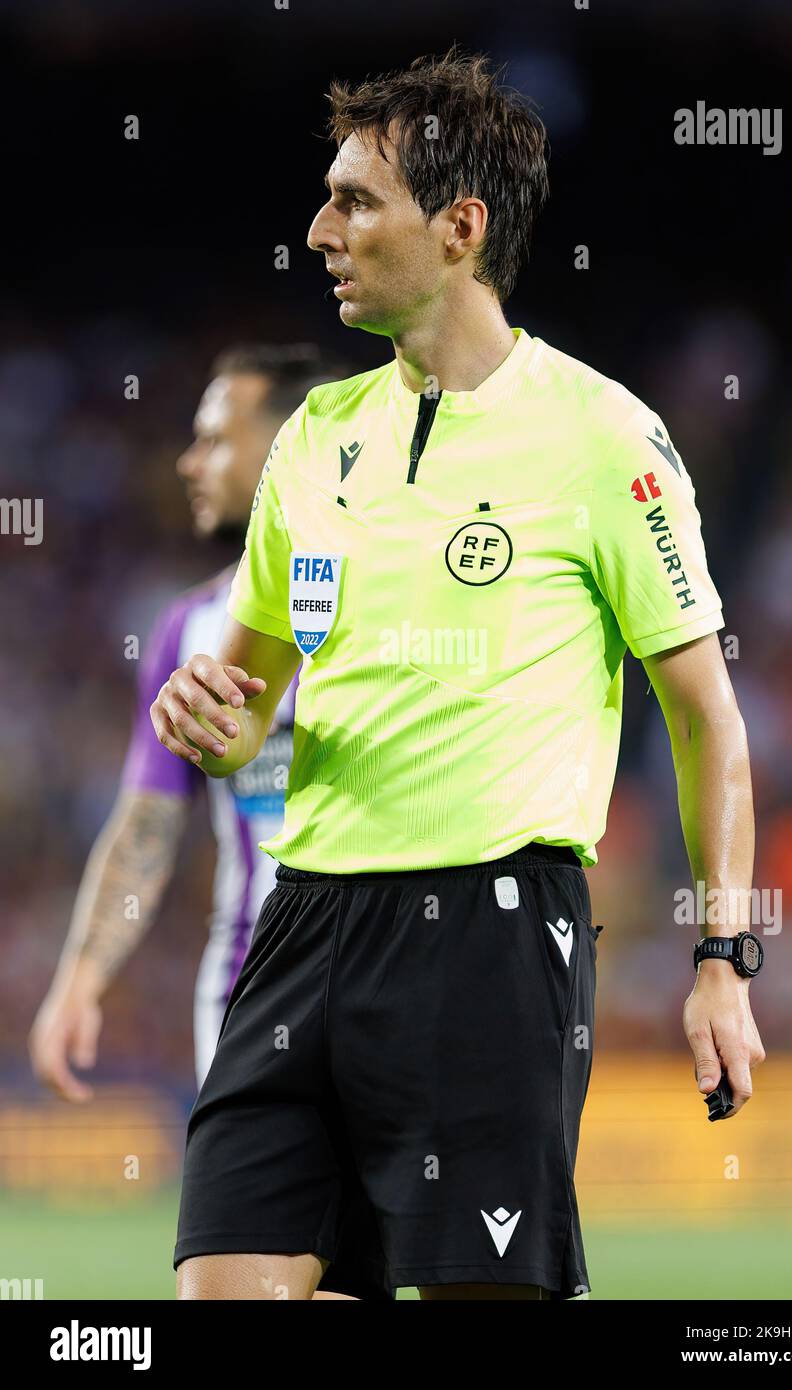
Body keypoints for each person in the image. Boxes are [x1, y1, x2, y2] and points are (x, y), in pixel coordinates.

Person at [151, 48, 764, 1302]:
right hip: (306, 918)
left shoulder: (604, 437)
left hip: (489, 929)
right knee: (219, 1289)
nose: (320, 227)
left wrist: (720, 960)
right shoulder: (315, 438)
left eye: (355, 200)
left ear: (459, 226)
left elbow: (705, 717)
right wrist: (206, 719)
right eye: (327, 197)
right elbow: (244, 700)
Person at [28, 343, 379, 1301]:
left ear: (290, 445)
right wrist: (81, 978)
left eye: (216, 437)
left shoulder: (395, 597)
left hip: (393, 988)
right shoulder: (187, 630)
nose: (190, 461)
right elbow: (146, 825)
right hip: (244, 1005)